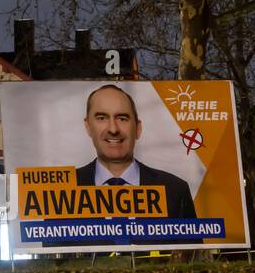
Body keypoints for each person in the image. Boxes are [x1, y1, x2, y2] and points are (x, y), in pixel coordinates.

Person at [45, 84, 196, 247]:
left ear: (137, 128)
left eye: (122, 118)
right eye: (101, 118)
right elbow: (51, 267)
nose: (113, 129)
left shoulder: (175, 190)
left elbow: (192, 262)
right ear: (88, 126)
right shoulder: (60, 193)